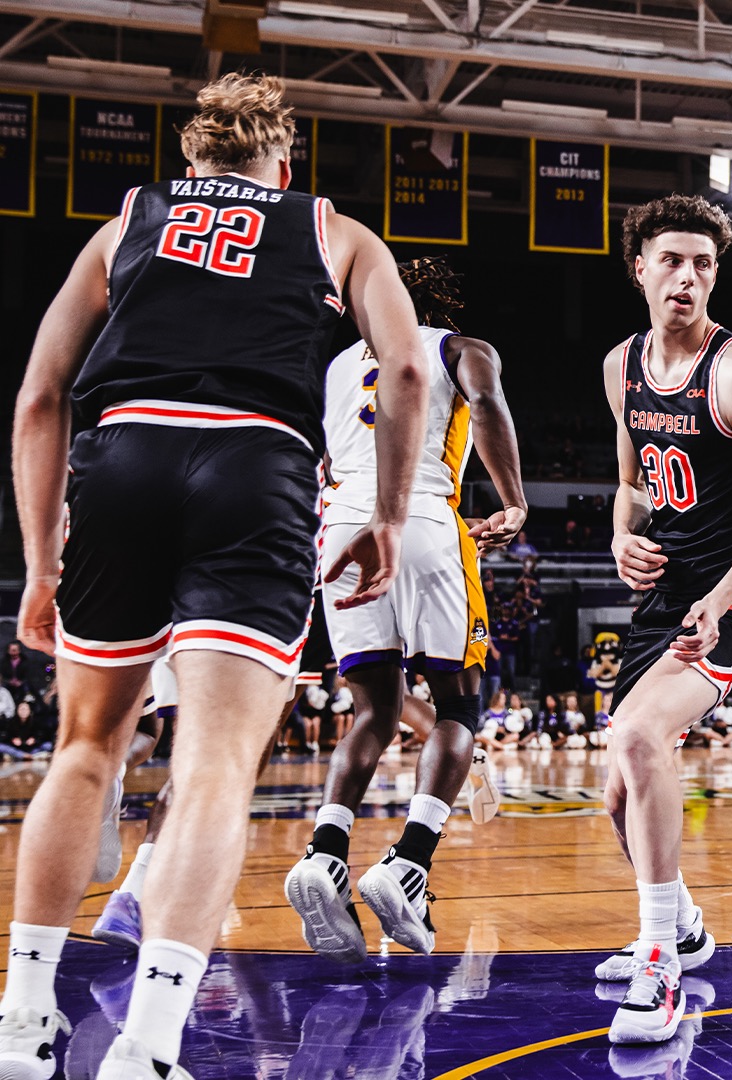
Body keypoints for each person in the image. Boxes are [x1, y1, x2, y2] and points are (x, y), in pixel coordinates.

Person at [0, 73, 429, 1080]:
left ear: (193, 162)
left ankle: (22, 1017)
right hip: (255, 467)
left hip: (126, 458)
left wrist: (38, 559)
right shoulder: (335, 230)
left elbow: (37, 396)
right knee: (215, 768)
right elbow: (406, 370)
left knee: (85, 747)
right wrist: (391, 516)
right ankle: (148, 1044)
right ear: (284, 168)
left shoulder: (125, 225)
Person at [282, 256, 527, 963]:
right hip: (420, 519)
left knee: (372, 713)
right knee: (457, 709)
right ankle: (410, 862)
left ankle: (325, 851)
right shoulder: (456, 347)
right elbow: (485, 405)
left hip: (340, 530)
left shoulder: (337, 367)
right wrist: (511, 499)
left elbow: (327, 464)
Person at [589, 195, 732, 1046]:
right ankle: (688, 926)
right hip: (659, 598)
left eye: (703, 263)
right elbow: (634, 479)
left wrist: (720, 598)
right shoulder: (620, 365)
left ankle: (660, 960)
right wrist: (617, 536)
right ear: (639, 268)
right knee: (616, 799)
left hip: (729, 597)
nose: (687, 276)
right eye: (671, 259)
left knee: (637, 742)